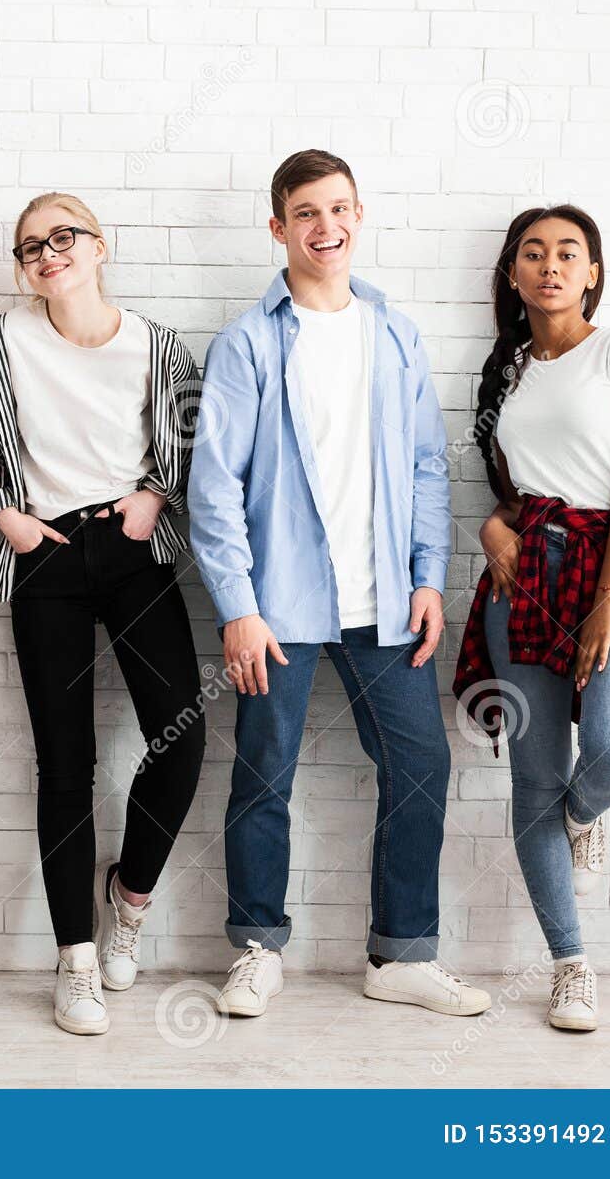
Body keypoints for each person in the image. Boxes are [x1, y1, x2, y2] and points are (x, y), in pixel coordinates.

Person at [189, 149, 490, 1020]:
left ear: (360, 215)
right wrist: (239, 610)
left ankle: (400, 956)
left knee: (421, 766)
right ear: (279, 227)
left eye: (340, 209)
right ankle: (255, 947)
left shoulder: (395, 334)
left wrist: (428, 577)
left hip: (387, 602)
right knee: (263, 774)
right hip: (278, 603)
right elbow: (214, 486)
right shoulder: (249, 340)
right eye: (307, 213)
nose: (327, 228)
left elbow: (429, 467)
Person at [454, 204, 610, 1032]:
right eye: (533, 253)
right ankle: (570, 965)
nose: (552, 265)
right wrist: (494, 525)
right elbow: (507, 487)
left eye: (570, 252)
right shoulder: (502, 370)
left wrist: (608, 597)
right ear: (512, 274)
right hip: (524, 577)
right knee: (533, 774)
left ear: (593, 271)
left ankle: (583, 815)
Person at [0, 192, 206, 1035]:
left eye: (64, 236)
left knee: (182, 735)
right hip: (47, 559)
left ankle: (128, 898)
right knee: (65, 765)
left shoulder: (158, 344)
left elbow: (188, 435)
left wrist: (152, 497)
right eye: (31, 246)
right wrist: (7, 518)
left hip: (134, 551)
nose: (48, 253)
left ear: (102, 247)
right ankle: (75, 961)